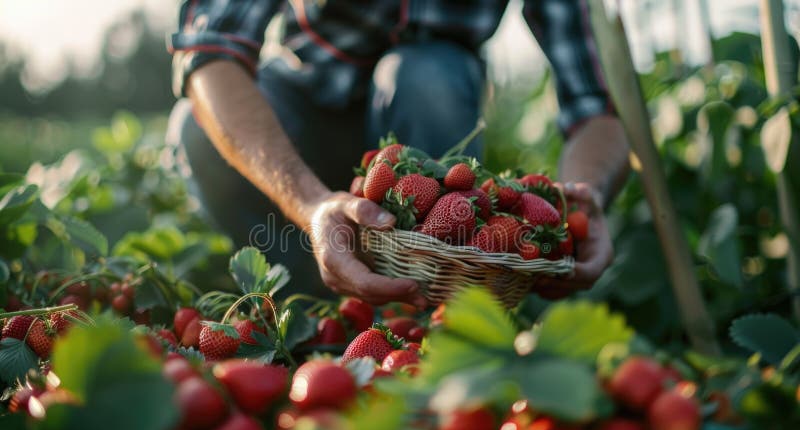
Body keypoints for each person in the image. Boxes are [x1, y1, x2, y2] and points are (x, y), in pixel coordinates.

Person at [165, 0, 630, 307]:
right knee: (197, 128)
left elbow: (593, 108)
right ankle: (316, 309)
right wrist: (309, 204)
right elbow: (210, 51)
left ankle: (433, 312)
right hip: (305, 119)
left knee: (426, 76)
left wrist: (574, 204)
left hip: (432, 143)